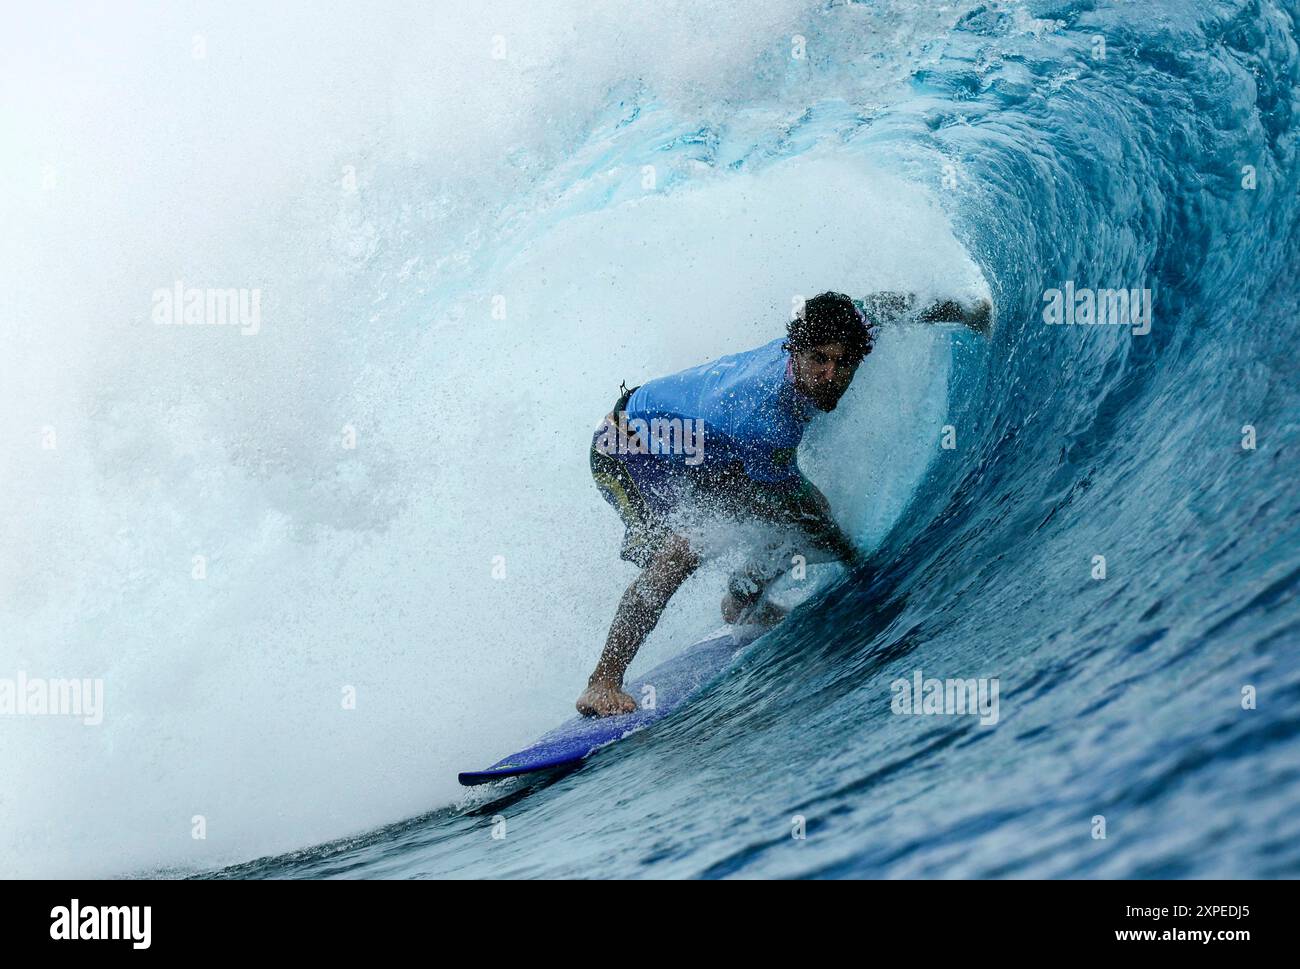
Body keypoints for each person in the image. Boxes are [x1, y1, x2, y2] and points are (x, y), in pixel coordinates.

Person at [578, 290, 989, 717]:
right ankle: (602, 680)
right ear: (796, 350)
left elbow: (890, 305)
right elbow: (807, 516)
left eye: (843, 363)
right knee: (684, 547)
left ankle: (740, 601)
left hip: (707, 451)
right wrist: (860, 566)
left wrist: (967, 312)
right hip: (628, 450)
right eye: (819, 360)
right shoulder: (765, 417)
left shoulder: (843, 330)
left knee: (792, 514)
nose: (831, 374)